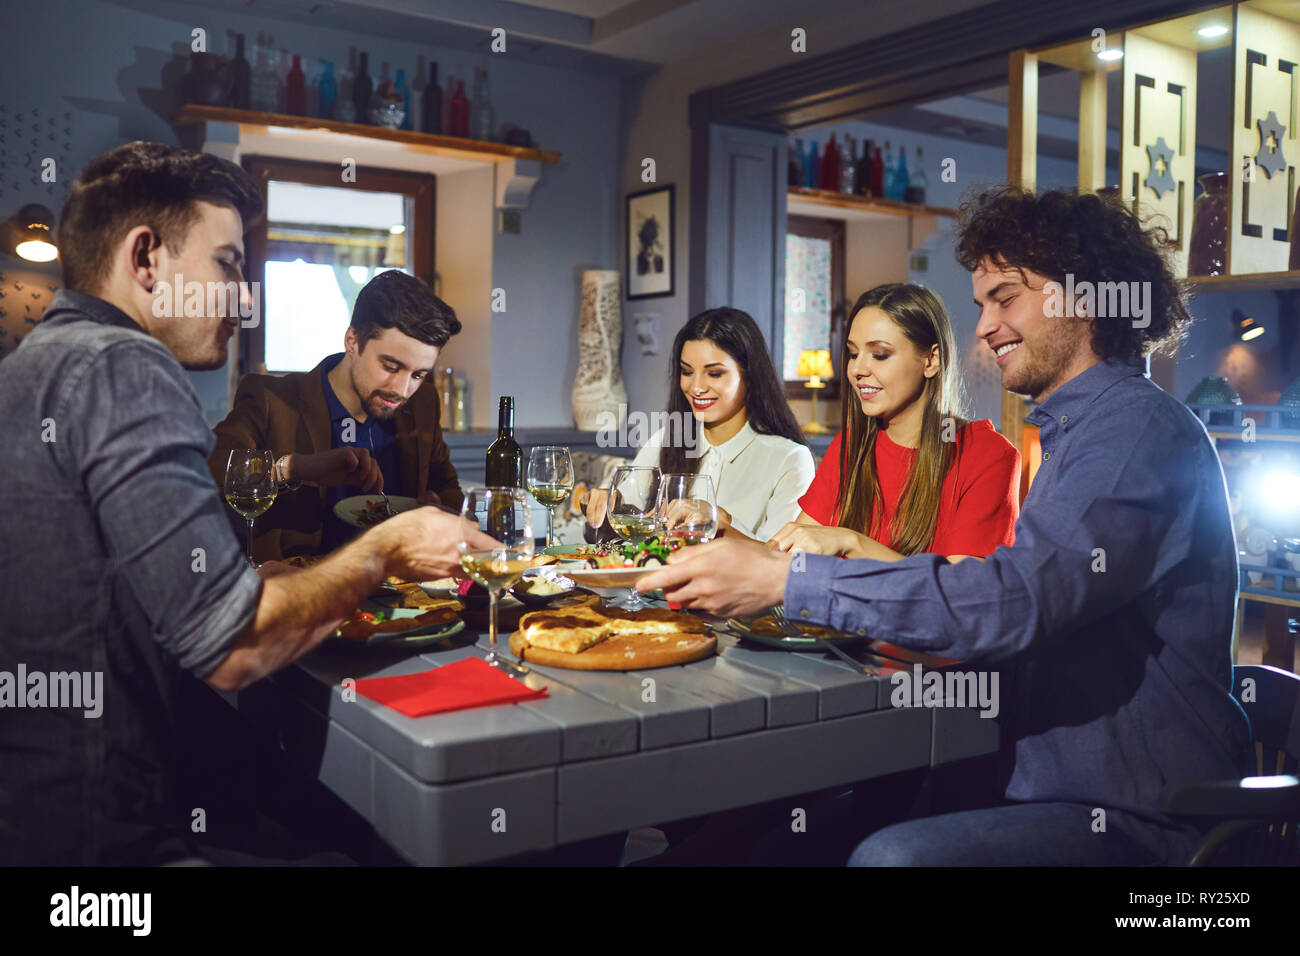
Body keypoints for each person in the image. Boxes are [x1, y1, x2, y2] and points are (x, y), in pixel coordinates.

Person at [639, 185, 1252, 867]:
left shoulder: (1132, 431)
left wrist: (792, 578)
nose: (985, 327)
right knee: (773, 837)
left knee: (885, 858)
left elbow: (1012, 601)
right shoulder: (1080, 431)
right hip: (1017, 776)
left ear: (1082, 297)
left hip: (1135, 816)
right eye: (982, 302)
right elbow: (1000, 587)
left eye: (1005, 297)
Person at [0, 141, 496, 866]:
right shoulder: (124, 367)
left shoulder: (39, 363)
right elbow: (233, 646)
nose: (245, 295)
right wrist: (388, 547)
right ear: (146, 260)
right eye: (229, 264)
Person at [209, 269, 464, 561]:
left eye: (418, 374)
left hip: (400, 589)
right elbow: (211, 479)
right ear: (352, 341)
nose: (402, 390)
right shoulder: (272, 399)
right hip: (304, 588)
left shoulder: (423, 404)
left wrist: (438, 507)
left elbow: (446, 487)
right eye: (391, 367)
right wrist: (295, 468)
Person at [768, 282, 1019, 563]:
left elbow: (962, 594)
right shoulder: (851, 447)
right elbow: (786, 560)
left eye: (880, 354)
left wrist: (852, 543)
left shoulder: (987, 455)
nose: (858, 370)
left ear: (931, 360)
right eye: (853, 354)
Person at [584, 307, 815, 542]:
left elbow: (779, 560)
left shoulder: (790, 459)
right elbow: (623, 523)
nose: (696, 388)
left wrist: (720, 521)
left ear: (749, 375)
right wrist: (603, 504)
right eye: (687, 372)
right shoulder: (668, 439)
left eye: (714, 373)